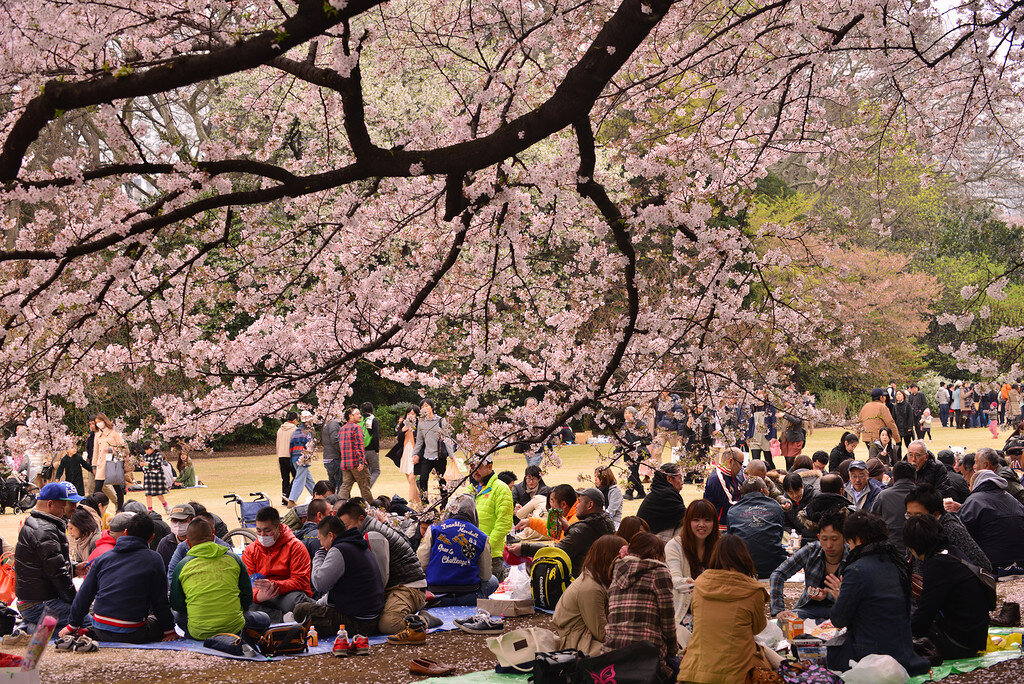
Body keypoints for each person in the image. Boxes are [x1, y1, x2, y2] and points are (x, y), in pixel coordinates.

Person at [826, 511, 928, 675]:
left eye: (849, 542)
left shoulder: (856, 570)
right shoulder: (897, 562)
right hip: (903, 651)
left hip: (873, 654)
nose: (849, 547)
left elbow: (838, 619)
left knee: (829, 653)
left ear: (858, 540)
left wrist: (840, 598)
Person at [63, 514, 176, 643]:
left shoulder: (103, 558)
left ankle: (91, 631)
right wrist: (169, 631)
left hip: (100, 628)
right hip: (134, 631)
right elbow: (159, 601)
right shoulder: (154, 559)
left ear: (125, 532)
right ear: (151, 538)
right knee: (158, 622)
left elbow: (85, 594)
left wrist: (72, 625)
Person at [678, 535, 777, 684]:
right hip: (737, 674)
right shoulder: (753, 590)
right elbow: (757, 628)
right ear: (744, 557)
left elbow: (698, 619)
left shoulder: (699, 584)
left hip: (694, 671)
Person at [904, 514, 991, 659]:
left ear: (913, 546)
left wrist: (903, 636)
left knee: (905, 613)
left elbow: (926, 613)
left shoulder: (937, 565)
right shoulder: (952, 552)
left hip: (960, 644)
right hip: (975, 637)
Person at [170, 518, 270, 639]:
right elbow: (247, 598)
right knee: (264, 618)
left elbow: (177, 605)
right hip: (235, 628)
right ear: (213, 537)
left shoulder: (182, 566)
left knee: (176, 615)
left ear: (188, 543)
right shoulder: (235, 559)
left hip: (198, 632)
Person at [338, 500, 427, 634]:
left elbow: (381, 576)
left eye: (347, 526)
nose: (344, 532)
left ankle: (424, 620)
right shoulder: (367, 529)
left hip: (408, 587)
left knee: (389, 625)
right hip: (395, 586)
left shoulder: (373, 535)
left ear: (361, 519)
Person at [602, 533, 678, 682]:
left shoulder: (617, 571)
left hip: (611, 652)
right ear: (657, 554)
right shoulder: (659, 572)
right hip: (646, 653)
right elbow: (667, 619)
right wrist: (673, 649)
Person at [293, 514, 385, 636]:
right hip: (371, 616)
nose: (321, 544)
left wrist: (319, 554)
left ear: (331, 536)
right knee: (311, 607)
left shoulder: (339, 550)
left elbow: (319, 583)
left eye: (320, 539)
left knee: (300, 610)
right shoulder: (357, 544)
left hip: (359, 622)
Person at [14, 482, 83, 632]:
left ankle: (32, 627)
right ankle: (34, 629)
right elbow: (57, 573)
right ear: (51, 504)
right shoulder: (44, 530)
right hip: (39, 603)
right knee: (86, 620)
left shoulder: (39, 524)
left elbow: (46, 564)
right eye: (63, 505)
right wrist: (77, 603)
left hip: (33, 600)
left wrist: (74, 568)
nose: (65, 510)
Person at [510, 488, 616, 577]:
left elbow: (557, 551)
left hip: (581, 578)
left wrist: (524, 549)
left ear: (590, 505)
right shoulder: (604, 522)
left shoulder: (584, 527)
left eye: (579, 502)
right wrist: (569, 529)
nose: (577, 505)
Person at [415, 494, 498, 606]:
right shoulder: (481, 537)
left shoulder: (434, 528)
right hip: (469, 595)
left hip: (436, 595)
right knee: (493, 580)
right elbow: (485, 575)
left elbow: (421, 563)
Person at [553, 534, 623, 656]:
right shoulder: (591, 588)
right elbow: (601, 633)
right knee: (624, 653)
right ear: (611, 559)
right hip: (577, 641)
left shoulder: (595, 579)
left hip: (584, 634)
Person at [770, 510, 847, 620]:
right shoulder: (812, 550)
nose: (829, 545)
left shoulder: (852, 557)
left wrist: (830, 595)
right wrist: (778, 610)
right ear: (819, 537)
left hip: (839, 610)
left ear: (845, 539)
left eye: (834, 539)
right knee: (788, 623)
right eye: (824, 539)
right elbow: (778, 574)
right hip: (808, 609)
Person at [241, 506, 313, 621]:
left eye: (267, 530)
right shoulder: (250, 550)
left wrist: (274, 586)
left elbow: (301, 581)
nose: (262, 535)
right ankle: (283, 618)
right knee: (241, 603)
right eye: (259, 531)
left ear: (279, 528)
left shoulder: (295, 546)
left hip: (286, 594)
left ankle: (276, 618)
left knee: (298, 602)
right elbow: (246, 584)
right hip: (260, 596)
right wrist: (257, 596)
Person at [904, 484, 991, 572]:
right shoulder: (913, 529)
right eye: (909, 515)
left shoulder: (952, 529)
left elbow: (983, 565)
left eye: (919, 515)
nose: (912, 520)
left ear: (935, 514)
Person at [955, 467, 1024, 577]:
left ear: (974, 485)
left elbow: (960, 535)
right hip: (1020, 564)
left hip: (992, 567)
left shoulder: (973, 501)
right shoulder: (1012, 500)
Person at [665, 499, 719, 627]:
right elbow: (674, 578)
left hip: (716, 605)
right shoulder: (674, 546)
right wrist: (693, 584)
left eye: (707, 520)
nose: (702, 525)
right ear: (688, 522)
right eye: (696, 520)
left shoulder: (720, 544)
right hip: (685, 609)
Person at [726, 477, 787, 579]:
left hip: (742, 569)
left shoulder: (733, 510)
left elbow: (730, 540)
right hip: (772, 567)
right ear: (762, 490)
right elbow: (779, 536)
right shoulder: (775, 506)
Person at [467, 456, 514, 582]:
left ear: (490, 466)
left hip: (492, 556)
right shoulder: (471, 489)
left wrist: (486, 547)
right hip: (470, 554)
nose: (475, 470)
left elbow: (504, 524)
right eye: (472, 467)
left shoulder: (501, 488)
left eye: (478, 466)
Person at [870, 461, 918, 555]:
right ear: (915, 480)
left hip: (891, 552)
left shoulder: (883, 496)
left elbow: (872, 524)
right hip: (919, 551)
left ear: (893, 480)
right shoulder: (924, 496)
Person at [637, 462, 687, 540]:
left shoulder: (661, 491)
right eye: (679, 478)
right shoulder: (666, 495)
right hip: (648, 539)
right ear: (669, 479)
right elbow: (687, 516)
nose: (682, 483)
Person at [415, 399, 451, 500]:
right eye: (422, 407)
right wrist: (415, 454)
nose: (424, 408)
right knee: (422, 479)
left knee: (442, 482)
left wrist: (452, 457)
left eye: (426, 406)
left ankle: (444, 505)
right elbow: (419, 441)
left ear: (432, 407)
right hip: (427, 456)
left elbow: (447, 439)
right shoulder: (421, 422)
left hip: (439, 456)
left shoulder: (440, 421)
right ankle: (425, 505)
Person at [385, 405, 420, 508]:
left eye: (413, 413)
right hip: (405, 453)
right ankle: (420, 504)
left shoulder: (420, 424)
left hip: (416, 453)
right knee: (410, 480)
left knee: (412, 478)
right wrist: (403, 430)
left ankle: (411, 503)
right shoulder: (403, 424)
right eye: (409, 413)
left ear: (417, 415)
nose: (410, 415)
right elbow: (399, 438)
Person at [91, 413, 128, 510]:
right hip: (100, 465)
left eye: (100, 421)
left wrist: (111, 449)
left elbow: (124, 449)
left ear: (104, 421)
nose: (98, 424)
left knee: (117, 489)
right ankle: (95, 509)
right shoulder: (97, 435)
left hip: (112, 464)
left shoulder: (114, 434)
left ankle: (120, 508)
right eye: (96, 422)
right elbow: (95, 451)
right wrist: (94, 465)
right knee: (97, 489)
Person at [703, 448, 744, 528]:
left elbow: (738, 498)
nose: (741, 468)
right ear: (731, 461)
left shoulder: (731, 475)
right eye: (740, 463)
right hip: (719, 526)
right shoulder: (717, 478)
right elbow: (729, 503)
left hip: (730, 522)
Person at [338, 406, 372, 501]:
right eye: (357, 414)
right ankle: (369, 508)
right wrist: (361, 461)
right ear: (350, 416)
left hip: (345, 463)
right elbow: (359, 445)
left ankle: (338, 506)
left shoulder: (342, 429)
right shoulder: (357, 428)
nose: (360, 416)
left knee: (345, 486)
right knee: (365, 486)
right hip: (356, 463)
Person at [285, 411, 316, 506]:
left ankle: (317, 496)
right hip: (303, 458)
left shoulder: (297, 430)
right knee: (299, 478)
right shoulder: (308, 431)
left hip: (294, 457)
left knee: (308, 480)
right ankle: (292, 500)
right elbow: (310, 445)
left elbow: (291, 445)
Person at [620, 406, 651, 499]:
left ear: (634, 414)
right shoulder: (624, 426)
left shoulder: (640, 424)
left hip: (638, 452)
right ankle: (641, 492)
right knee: (633, 472)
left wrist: (639, 442)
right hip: (628, 452)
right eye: (625, 413)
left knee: (632, 471)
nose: (627, 415)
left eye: (629, 413)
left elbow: (649, 438)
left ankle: (629, 492)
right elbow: (620, 440)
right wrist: (617, 450)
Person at [156, 503, 195, 568]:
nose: (178, 524)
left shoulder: (200, 540)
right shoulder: (165, 543)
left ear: (192, 520)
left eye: (182, 521)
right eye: (174, 520)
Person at [140, 441, 170, 515]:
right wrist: (142, 465)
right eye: (145, 450)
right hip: (148, 476)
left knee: (159, 494)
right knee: (148, 494)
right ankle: (150, 511)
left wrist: (147, 464)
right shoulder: (145, 456)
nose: (146, 451)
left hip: (157, 477)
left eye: (147, 449)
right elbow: (144, 466)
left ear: (152, 448)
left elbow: (158, 464)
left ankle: (166, 507)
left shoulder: (158, 454)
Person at [360, 402, 382, 488]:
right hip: (371, 449)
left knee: (367, 471)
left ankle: (365, 489)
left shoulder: (359, 420)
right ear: (372, 410)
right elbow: (376, 436)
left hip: (361, 450)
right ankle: (367, 488)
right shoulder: (373, 420)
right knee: (376, 471)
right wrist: (376, 450)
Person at [320, 410, 342, 492]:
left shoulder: (325, 425)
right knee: (340, 483)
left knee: (332, 484)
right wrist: (342, 451)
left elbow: (322, 441)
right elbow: (335, 439)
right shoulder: (333, 423)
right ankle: (340, 502)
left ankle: (331, 501)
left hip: (327, 457)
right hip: (334, 457)